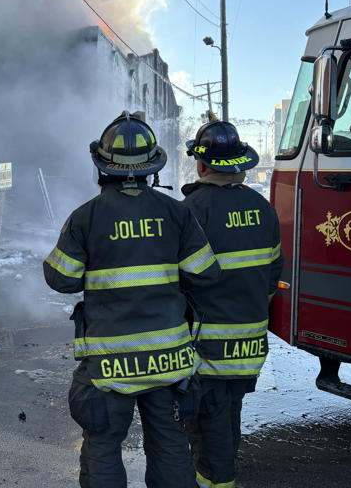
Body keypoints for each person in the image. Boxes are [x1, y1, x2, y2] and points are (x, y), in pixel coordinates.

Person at [44, 111, 221, 488]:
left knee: (104, 446)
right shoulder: (176, 213)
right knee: (171, 444)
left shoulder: (85, 218)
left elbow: (61, 279)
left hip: (109, 364)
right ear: (152, 168)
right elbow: (206, 274)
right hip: (169, 358)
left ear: (101, 168)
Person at [181, 120, 284, 488]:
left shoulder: (192, 209)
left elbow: (179, 282)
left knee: (208, 436)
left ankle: (217, 481)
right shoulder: (262, 208)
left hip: (206, 348)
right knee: (228, 419)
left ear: (202, 165)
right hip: (250, 345)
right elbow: (273, 276)